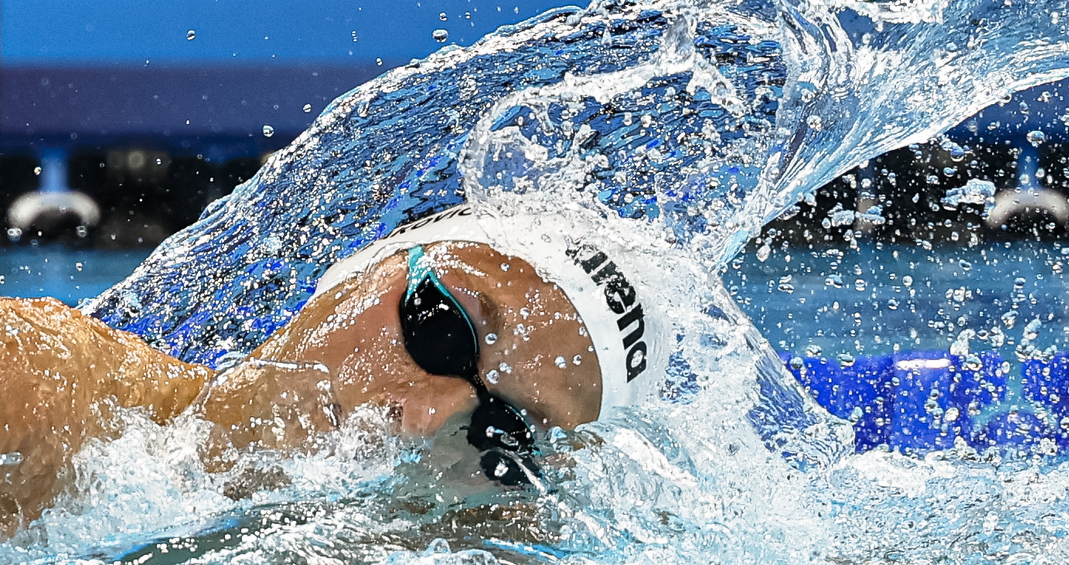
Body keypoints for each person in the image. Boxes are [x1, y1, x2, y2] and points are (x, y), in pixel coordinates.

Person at [0, 205, 668, 533]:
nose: (427, 414)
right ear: (360, 274)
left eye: (504, 432)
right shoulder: (45, 386)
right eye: (440, 329)